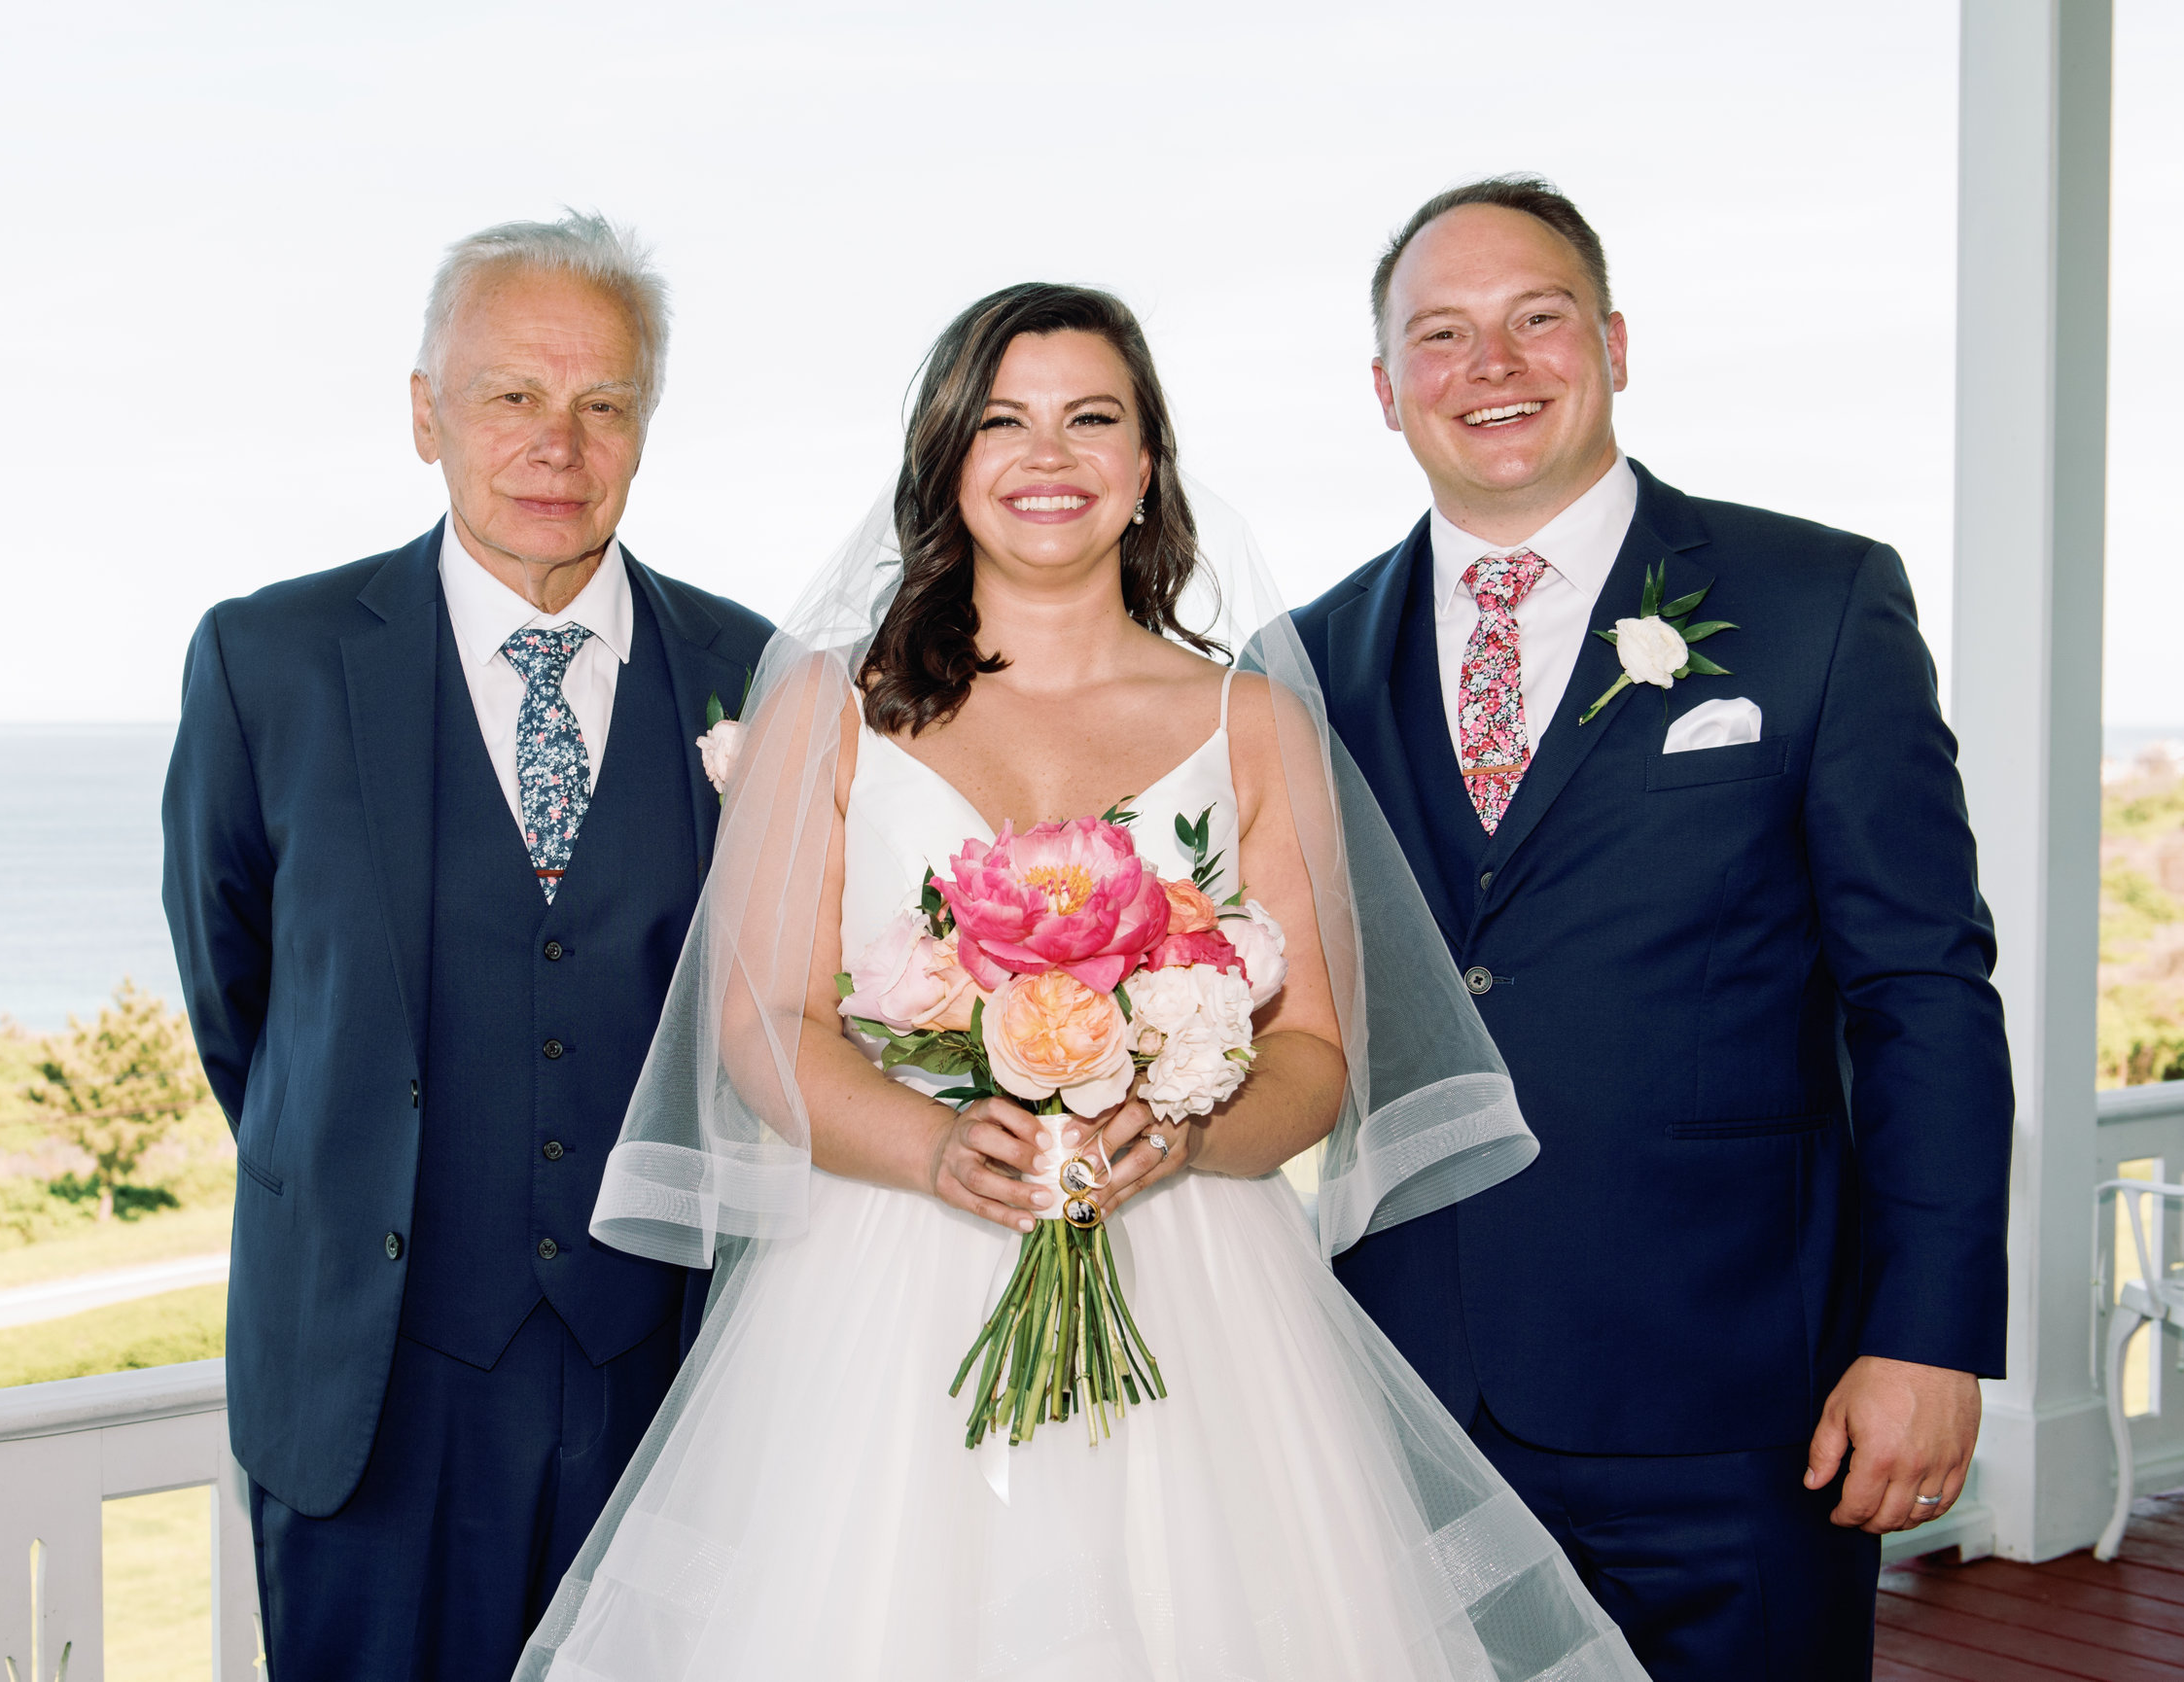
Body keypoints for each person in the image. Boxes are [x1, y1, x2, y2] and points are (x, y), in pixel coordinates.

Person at [511, 284, 1648, 1682]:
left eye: (1092, 418)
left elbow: (1312, 1052)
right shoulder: (827, 705)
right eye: (1004, 421)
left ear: (1148, 461)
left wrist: (1190, 1134)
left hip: (1194, 1285)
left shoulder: (1252, 720)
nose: (1049, 456)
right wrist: (935, 1146)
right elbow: (764, 1019)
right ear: (946, 459)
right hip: (881, 1292)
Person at [1290, 176, 2015, 1680]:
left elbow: (1923, 991)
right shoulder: (1302, 663)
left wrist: (1931, 1334)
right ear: (1384, 386)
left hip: (1739, 1403)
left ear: (1613, 343)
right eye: (1441, 334)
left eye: (1536, 317)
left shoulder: (1819, 601)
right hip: (1408, 1404)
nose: (1491, 365)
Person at [160, 212, 773, 1681]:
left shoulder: (757, 672)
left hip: (669, 1384)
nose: (557, 443)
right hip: (372, 1391)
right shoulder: (269, 661)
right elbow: (239, 998)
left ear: (644, 428)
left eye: (602, 401)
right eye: (511, 394)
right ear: (425, 412)